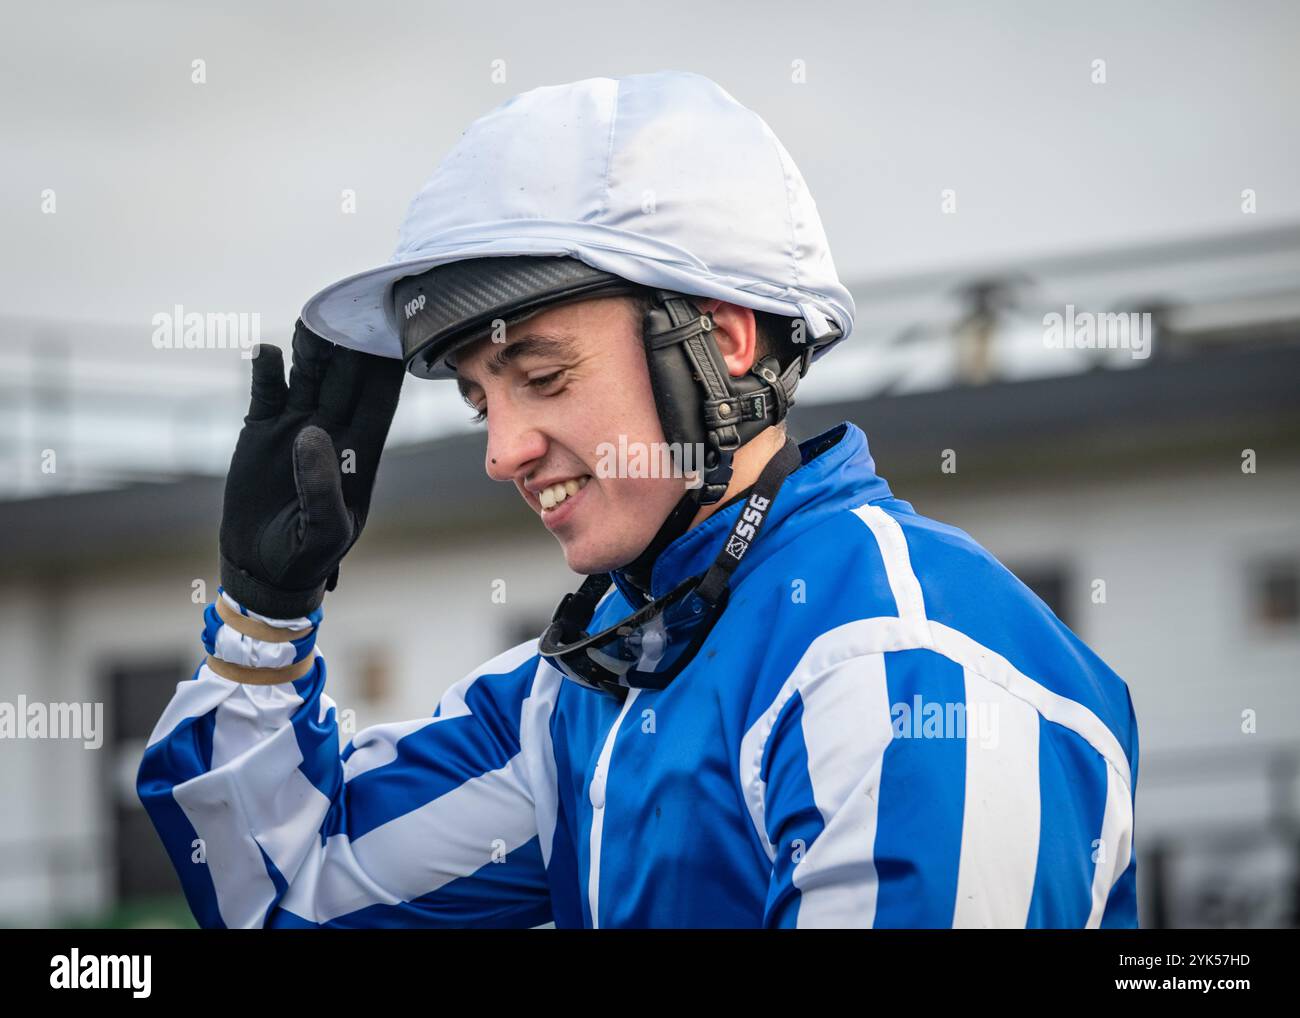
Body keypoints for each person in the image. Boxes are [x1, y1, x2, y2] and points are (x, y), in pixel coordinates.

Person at [137, 71, 1140, 928]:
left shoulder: (909, 668)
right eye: (481, 398)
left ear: (725, 341)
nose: (502, 451)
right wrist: (263, 617)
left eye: (543, 374)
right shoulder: (577, 687)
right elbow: (289, 890)